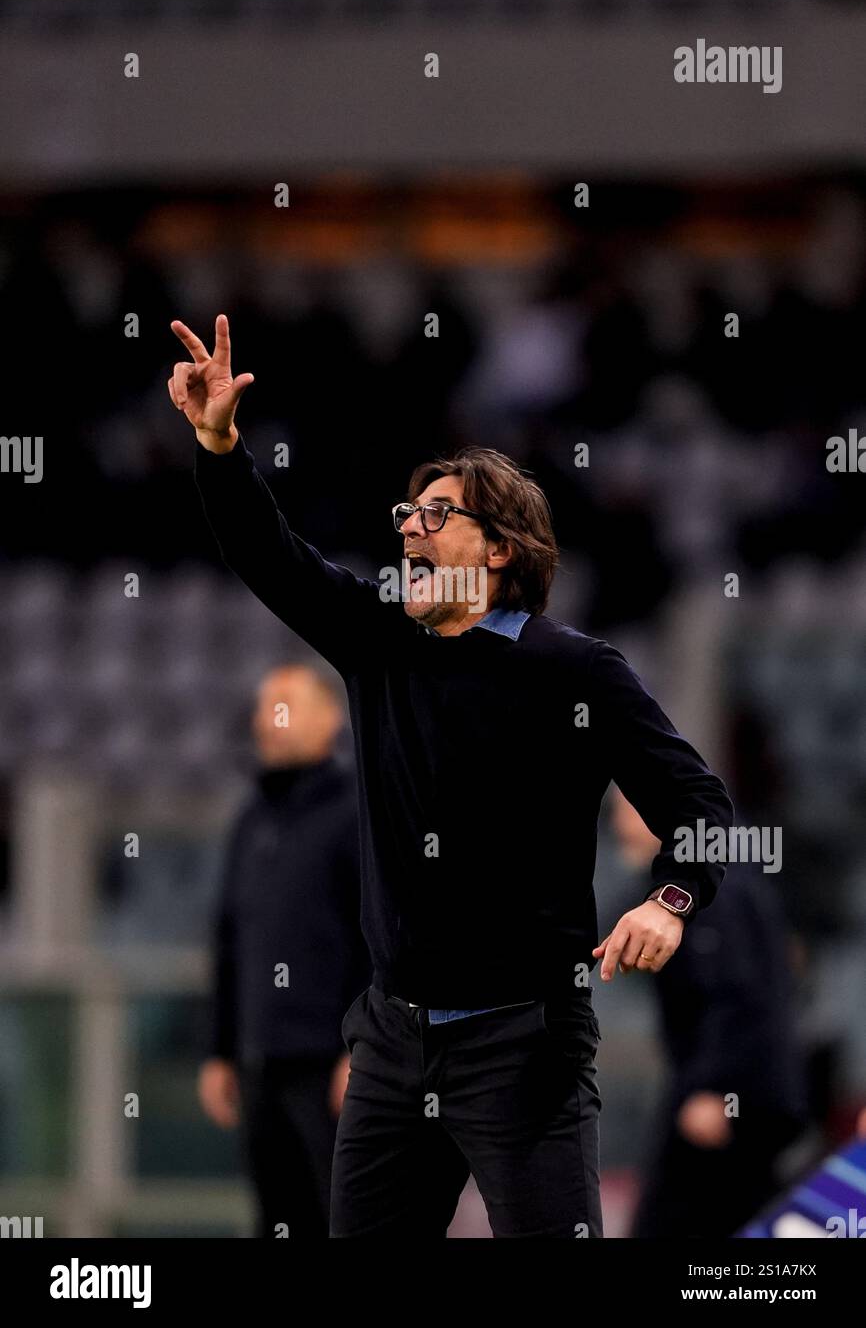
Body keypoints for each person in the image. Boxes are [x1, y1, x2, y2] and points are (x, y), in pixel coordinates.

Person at [170, 313, 734, 1239]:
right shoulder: (379, 641)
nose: (411, 530)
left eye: (439, 515)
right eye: (407, 516)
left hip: (525, 1044)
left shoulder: (575, 671)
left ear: (502, 548)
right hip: (392, 1043)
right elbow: (266, 555)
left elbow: (702, 809)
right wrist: (219, 442)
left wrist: (669, 899)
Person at [197, 662, 371, 1238]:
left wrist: (362, 1048)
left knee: (339, 1214)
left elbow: (375, 938)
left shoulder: (356, 812)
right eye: (263, 708)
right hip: (259, 1060)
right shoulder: (252, 816)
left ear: (330, 719)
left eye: (286, 706)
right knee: (274, 1217)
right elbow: (229, 937)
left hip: (328, 1064)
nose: (267, 721)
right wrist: (222, 1049)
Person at [610, 789, 809, 1237]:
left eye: (627, 809)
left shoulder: (712, 894)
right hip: (748, 1093)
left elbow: (737, 996)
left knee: (668, 1221)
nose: (618, 823)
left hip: (726, 1096)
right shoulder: (731, 879)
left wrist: (710, 1088)